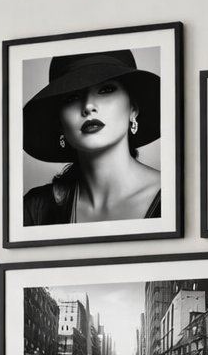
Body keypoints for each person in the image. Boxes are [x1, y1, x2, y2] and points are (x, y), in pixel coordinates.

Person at [22, 50, 161, 226]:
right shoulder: (35, 208)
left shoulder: (177, 193)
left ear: (133, 109)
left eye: (106, 89)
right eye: (72, 97)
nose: (88, 106)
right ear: (60, 123)